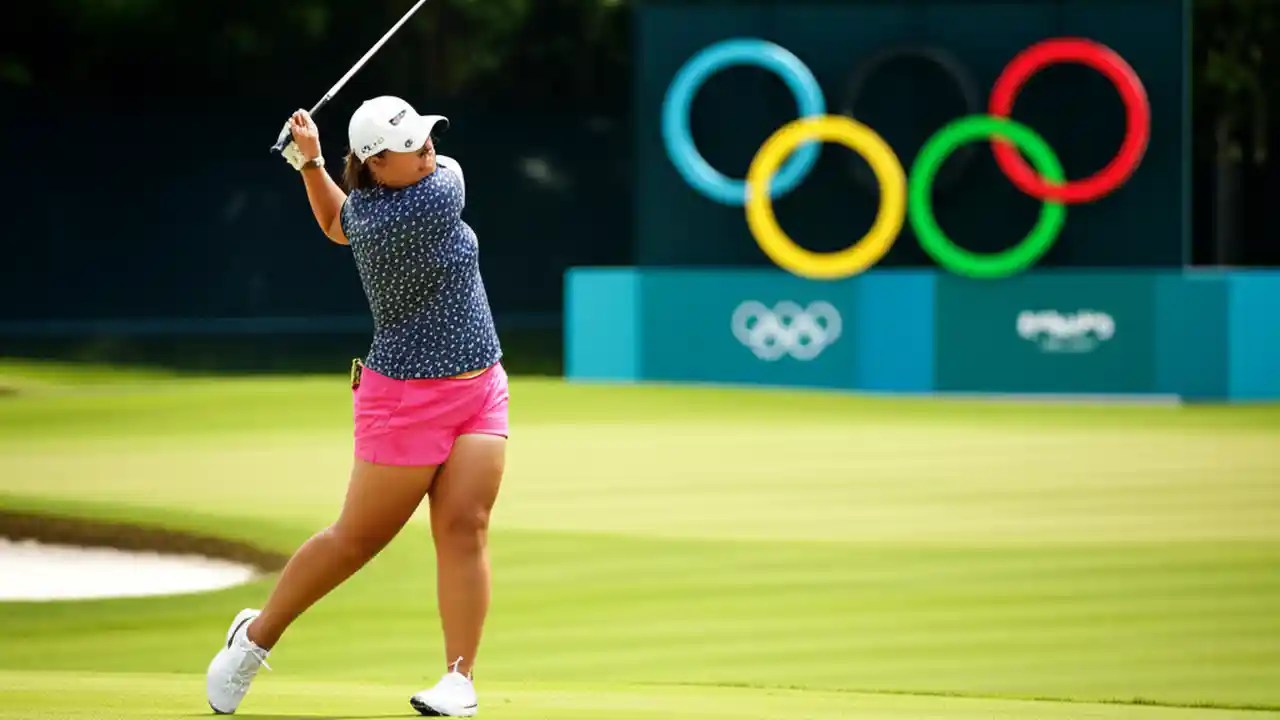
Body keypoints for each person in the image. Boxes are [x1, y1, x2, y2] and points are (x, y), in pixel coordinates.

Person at [205, 96, 509, 718]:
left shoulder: (367, 212)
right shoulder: (437, 193)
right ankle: (255, 637)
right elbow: (357, 217)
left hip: (480, 385)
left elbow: (334, 224)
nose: (428, 148)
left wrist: (308, 165)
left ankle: (458, 679)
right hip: (406, 400)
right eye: (410, 145)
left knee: (465, 527)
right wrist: (315, 164)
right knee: (355, 541)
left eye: (426, 137)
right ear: (375, 164)